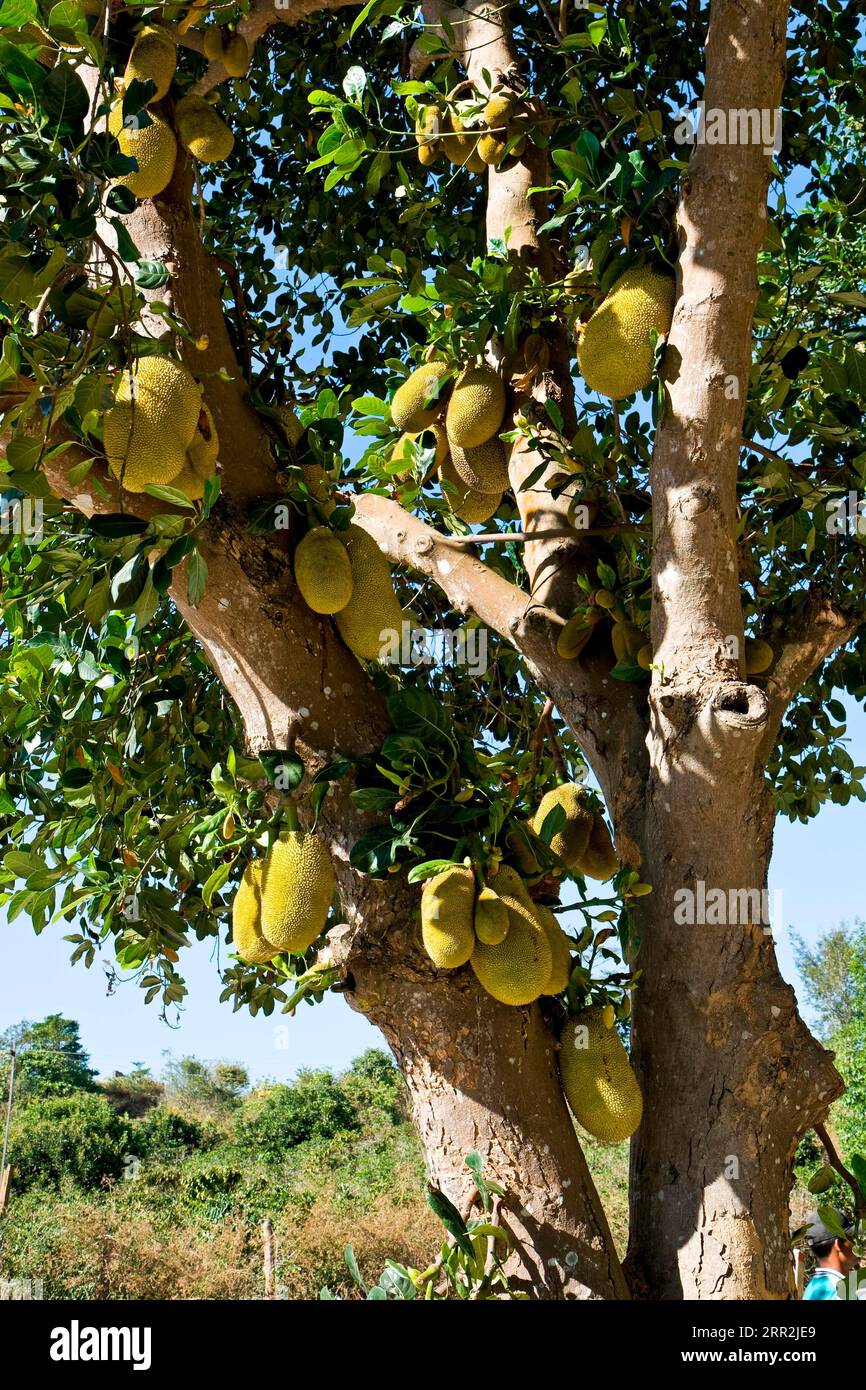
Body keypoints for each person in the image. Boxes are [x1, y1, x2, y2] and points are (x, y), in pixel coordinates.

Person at [802, 1211, 861, 1300]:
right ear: (838, 1245)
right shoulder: (842, 1292)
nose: (855, 1243)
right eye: (851, 1237)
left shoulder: (813, 1288)